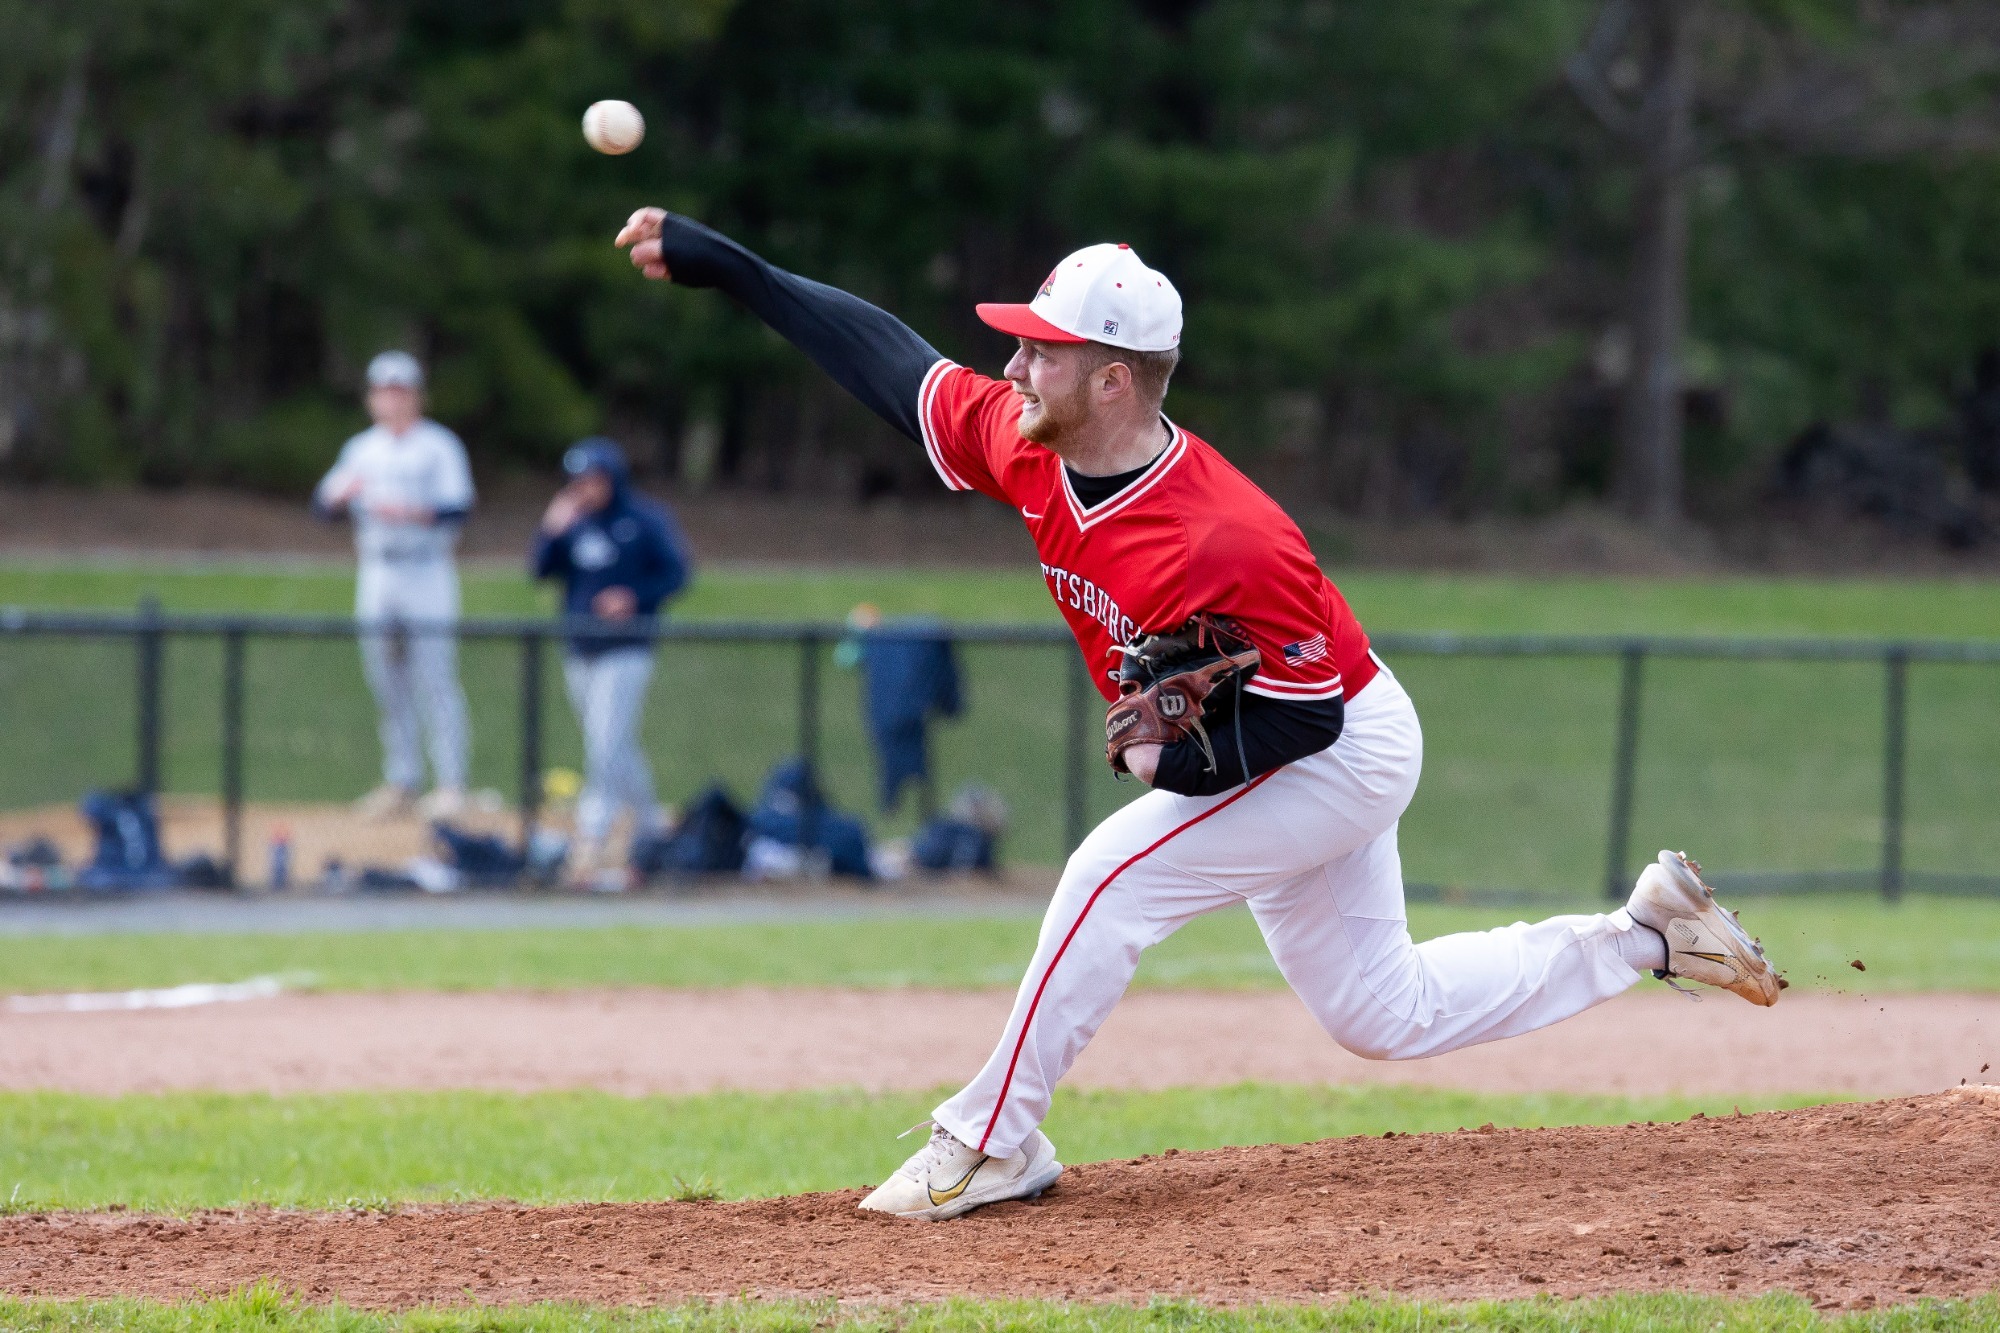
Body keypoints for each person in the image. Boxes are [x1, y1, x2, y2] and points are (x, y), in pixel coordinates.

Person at [612, 209, 1783, 1220]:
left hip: (1335, 744)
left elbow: (1301, 727)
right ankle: (1647, 936)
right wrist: (732, 267)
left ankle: (989, 1140)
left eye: (1041, 352)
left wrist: (1164, 760)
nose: (1013, 368)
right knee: (1382, 1012)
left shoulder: (1229, 537)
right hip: (1289, 739)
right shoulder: (1029, 444)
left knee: (1105, 879)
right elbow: (888, 363)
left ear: (1111, 380)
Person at [314, 350, 475, 821]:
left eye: (401, 391)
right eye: (385, 391)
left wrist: (411, 513)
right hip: (378, 569)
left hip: (426, 568)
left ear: (417, 397)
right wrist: (339, 498)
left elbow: (458, 508)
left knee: (435, 677)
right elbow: (322, 506)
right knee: (386, 679)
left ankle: (451, 784)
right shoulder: (362, 449)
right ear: (372, 398)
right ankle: (402, 779)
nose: (393, 400)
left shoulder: (438, 446)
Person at [532, 438, 692, 885]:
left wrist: (634, 598)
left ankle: (593, 834)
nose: (585, 488)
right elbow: (540, 571)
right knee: (614, 743)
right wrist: (551, 531)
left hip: (627, 647)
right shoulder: (573, 522)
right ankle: (651, 826)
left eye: (594, 479)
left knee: (604, 743)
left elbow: (677, 573)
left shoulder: (644, 519)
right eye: (578, 480)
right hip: (580, 646)